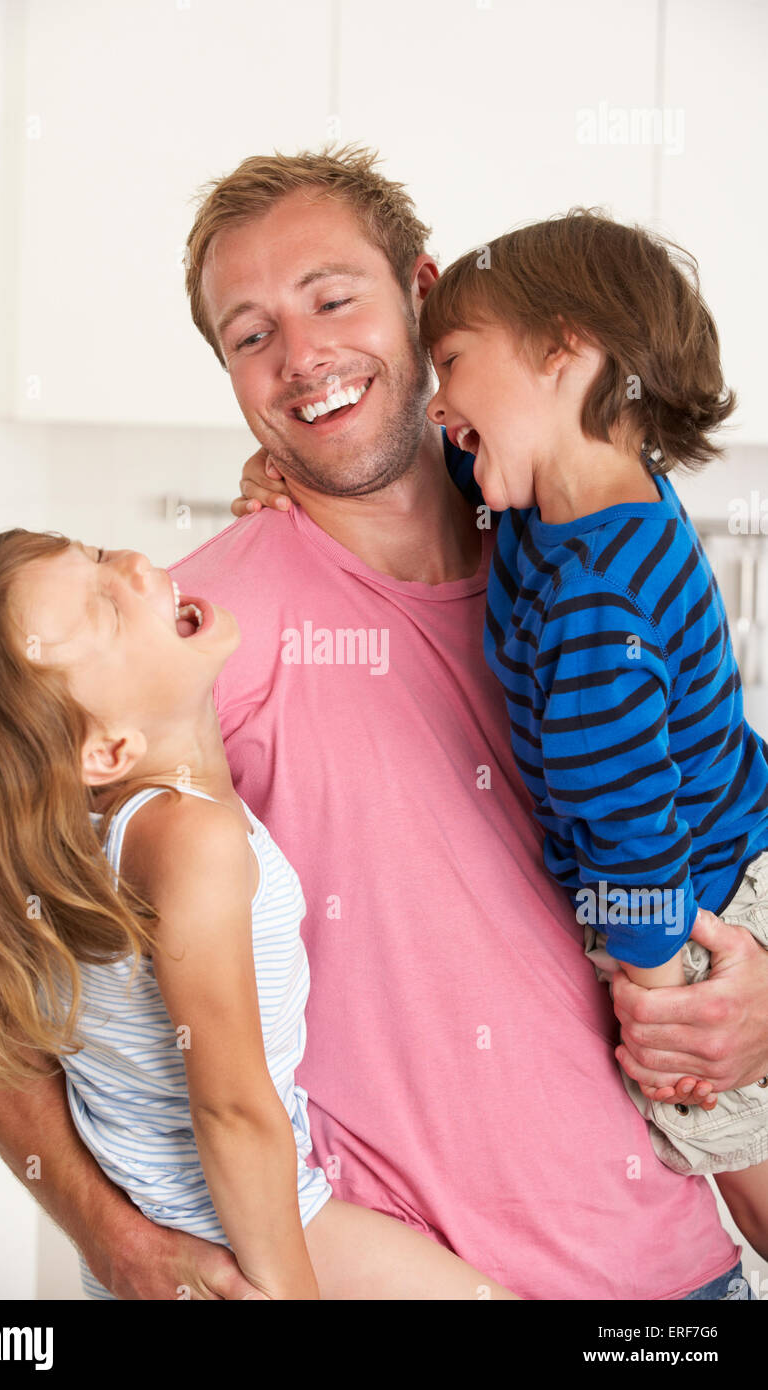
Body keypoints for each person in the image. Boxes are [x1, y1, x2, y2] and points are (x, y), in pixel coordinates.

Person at [0, 143, 764, 1299]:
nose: (302, 357)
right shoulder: (189, 638)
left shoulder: (573, 545)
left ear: (422, 292)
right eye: (249, 334)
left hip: (680, 1270)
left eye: (330, 298)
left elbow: (708, 808)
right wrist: (105, 1227)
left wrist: (751, 992)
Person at [0, 528, 516, 1300]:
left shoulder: (67, 854)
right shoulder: (193, 839)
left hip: (152, 1239)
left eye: (94, 555)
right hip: (245, 1235)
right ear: (106, 752)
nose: (129, 565)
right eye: (107, 608)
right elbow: (230, 1107)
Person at [415, 207, 768, 1256]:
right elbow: (456, 458)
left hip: (691, 914)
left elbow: (629, 828)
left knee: (745, 1179)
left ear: (565, 346)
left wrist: (653, 999)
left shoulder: (591, 599)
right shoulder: (591, 501)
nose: (438, 399)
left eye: (451, 361)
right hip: (728, 852)